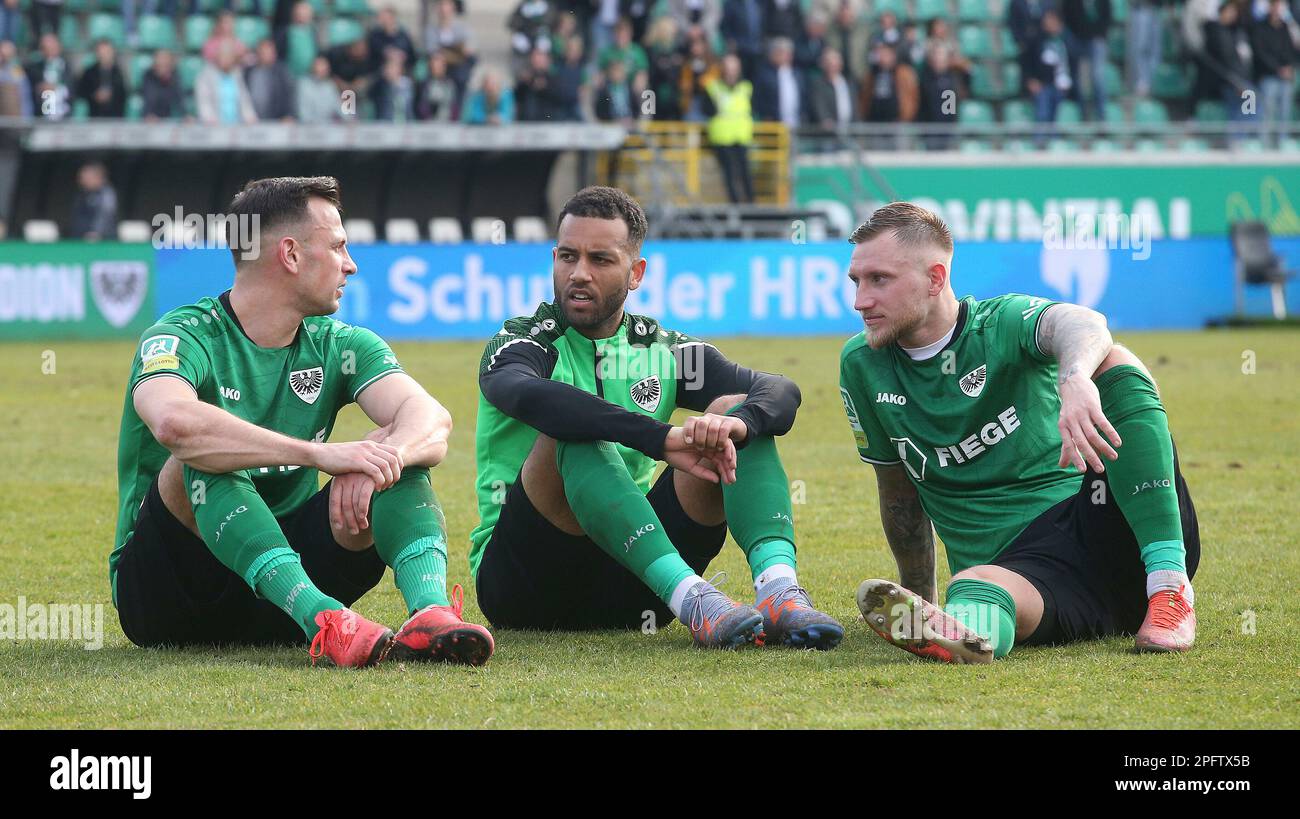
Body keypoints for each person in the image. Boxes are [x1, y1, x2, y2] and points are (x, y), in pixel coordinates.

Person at [112, 176, 493, 668]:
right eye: (338, 246)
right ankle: (322, 620)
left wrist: (384, 457)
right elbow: (174, 424)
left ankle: (429, 614)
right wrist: (319, 455)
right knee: (199, 459)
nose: (351, 264)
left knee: (395, 453)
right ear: (290, 255)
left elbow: (432, 419)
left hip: (280, 596)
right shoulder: (183, 336)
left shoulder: (340, 343)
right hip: (169, 599)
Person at [471, 186, 843, 649]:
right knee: (572, 431)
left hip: (635, 586)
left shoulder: (661, 349)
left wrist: (739, 424)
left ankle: (778, 592)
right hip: (524, 588)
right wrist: (659, 437)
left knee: (732, 414)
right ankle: (696, 601)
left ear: (636, 273)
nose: (579, 274)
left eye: (600, 260)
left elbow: (779, 391)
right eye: (567, 256)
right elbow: (525, 394)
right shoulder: (523, 342)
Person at [840, 202, 1199, 664]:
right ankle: (959, 634)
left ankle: (1170, 589)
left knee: (1115, 362)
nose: (860, 301)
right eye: (856, 282)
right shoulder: (861, 364)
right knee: (980, 588)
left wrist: (1075, 379)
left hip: (1109, 525)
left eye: (879, 280)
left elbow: (1084, 323)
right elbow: (897, 492)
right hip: (1026, 576)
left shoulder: (1000, 324)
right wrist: (916, 596)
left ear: (935, 278)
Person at [705, 54, 756, 203]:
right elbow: (707, 109)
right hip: (722, 138)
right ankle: (736, 204)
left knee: (745, 172)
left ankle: (751, 204)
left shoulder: (746, 87)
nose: (731, 73)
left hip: (741, 136)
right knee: (730, 174)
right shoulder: (713, 87)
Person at [1250, 0, 1297, 146]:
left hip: (1285, 77)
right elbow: (1260, 53)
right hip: (1268, 76)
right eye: (1275, 6)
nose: (1277, 9)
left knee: (1285, 110)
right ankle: (1264, 142)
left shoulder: (1284, 27)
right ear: (1270, 7)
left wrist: (1290, 68)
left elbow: (1290, 50)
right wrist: (1277, 69)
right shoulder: (1260, 27)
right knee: (1267, 110)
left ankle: (1282, 141)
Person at [75, 38, 127, 118]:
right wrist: (95, 95)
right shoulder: (89, 72)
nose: (104, 55)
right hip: (93, 113)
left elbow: (124, 94)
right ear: (97, 53)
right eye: (101, 52)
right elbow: (80, 92)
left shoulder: (118, 72)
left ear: (112, 52)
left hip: (115, 115)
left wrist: (111, 95)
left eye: (107, 52)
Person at [69, 161, 117, 240]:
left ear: (98, 178)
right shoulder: (81, 194)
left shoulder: (106, 194)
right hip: (81, 238)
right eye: (81, 178)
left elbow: (106, 214)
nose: (82, 181)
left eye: (87, 178)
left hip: (103, 239)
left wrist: (96, 231)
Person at [139, 49, 185, 120]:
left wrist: (185, 116)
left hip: (168, 121)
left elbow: (179, 101)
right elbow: (149, 100)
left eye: (166, 59)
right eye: (160, 59)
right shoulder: (148, 76)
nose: (163, 62)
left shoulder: (175, 77)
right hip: (151, 120)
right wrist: (149, 115)